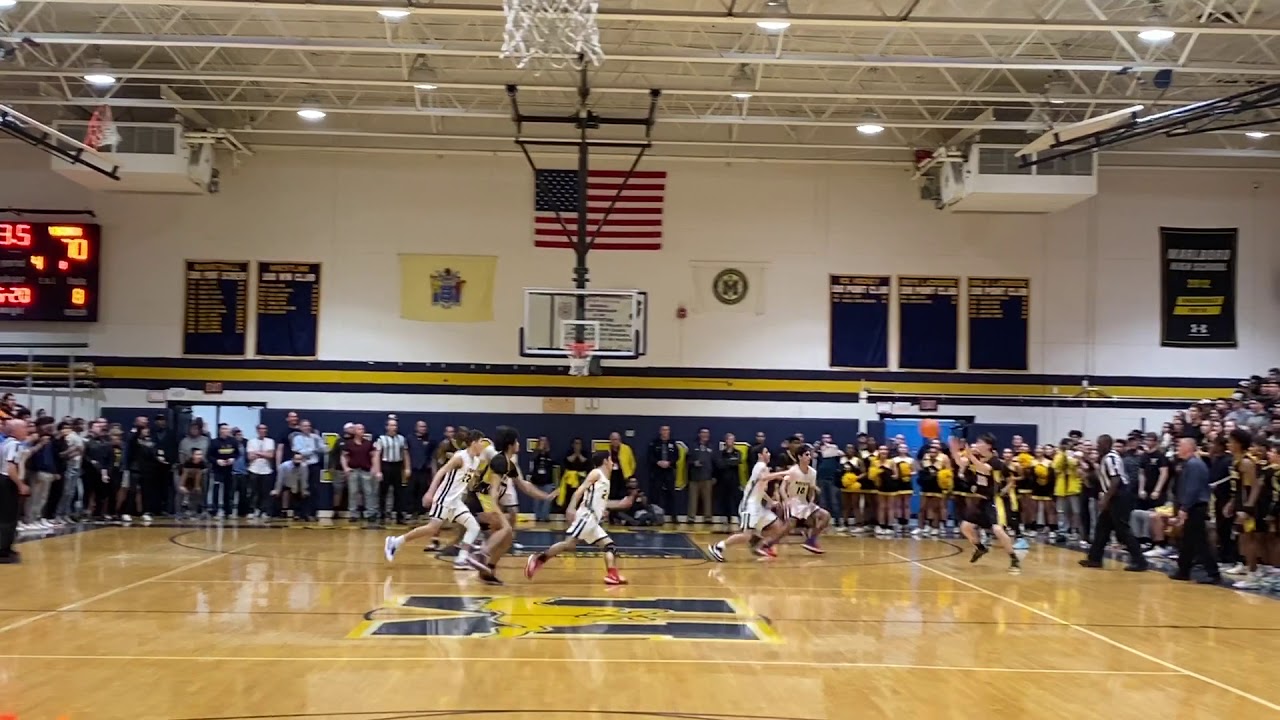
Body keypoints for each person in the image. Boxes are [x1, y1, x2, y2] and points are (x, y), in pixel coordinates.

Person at [525, 450, 635, 586]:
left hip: (593, 520)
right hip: (586, 516)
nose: (613, 462)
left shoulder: (605, 479)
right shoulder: (596, 473)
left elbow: (602, 503)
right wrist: (571, 507)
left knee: (609, 546)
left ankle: (612, 575)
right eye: (611, 460)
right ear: (605, 461)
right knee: (569, 543)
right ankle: (538, 558)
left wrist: (619, 504)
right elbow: (580, 490)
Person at [458, 426, 552, 584]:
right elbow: (493, 492)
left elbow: (524, 485)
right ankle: (480, 554)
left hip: (487, 501)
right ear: (511, 444)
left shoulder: (509, 463)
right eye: (517, 441)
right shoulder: (499, 461)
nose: (519, 444)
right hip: (480, 501)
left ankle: (488, 571)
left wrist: (546, 496)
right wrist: (499, 513)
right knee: (506, 528)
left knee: (508, 538)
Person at [383, 429, 488, 565]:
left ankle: (462, 558)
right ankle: (395, 542)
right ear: (474, 443)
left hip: (456, 502)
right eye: (481, 442)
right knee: (432, 528)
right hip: (444, 498)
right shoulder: (460, 457)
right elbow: (441, 472)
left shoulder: (476, 461)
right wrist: (430, 492)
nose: (483, 446)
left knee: (473, 527)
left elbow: (469, 482)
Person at [952, 433, 1020, 575]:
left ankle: (1014, 559)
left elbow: (984, 469)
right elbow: (961, 463)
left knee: (997, 530)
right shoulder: (976, 458)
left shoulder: (996, 462)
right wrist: (954, 450)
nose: (976, 443)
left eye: (980, 441)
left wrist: (970, 456)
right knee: (965, 527)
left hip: (996, 500)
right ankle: (980, 547)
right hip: (981, 500)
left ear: (988, 445)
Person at [1079, 434, 1148, 572]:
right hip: (1114, 496)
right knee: (1102, 528)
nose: (1097, 446)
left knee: (1122, 529)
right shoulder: (1105, 458)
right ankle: (1094, 558)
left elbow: (1115, 480)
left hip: (1119, 496)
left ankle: (1140, 561)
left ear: (1106, 444)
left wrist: (1106, 499)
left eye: (1099, 444)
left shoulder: (1111, 458)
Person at [708, 447, 788, 561]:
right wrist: (783, 472)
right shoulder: (760, 466)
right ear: (760, 455)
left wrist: (771, 502)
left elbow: (760, 489)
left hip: (758, 507)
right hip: (749, 506)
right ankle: (718, 547)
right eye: (766, 452)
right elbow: (764, 477)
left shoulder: (763, 468)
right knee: (746, 535)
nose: (769, 454)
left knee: (778, 526)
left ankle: (758, 546)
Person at [1169, 436, 1220, 583]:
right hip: (1192, 506)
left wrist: (1184, 508)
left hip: (1196, 507)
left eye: (1180, 446)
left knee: (1199, 541)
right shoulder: (1190, 464)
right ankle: (1183, 570)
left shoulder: (1194, 465)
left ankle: (1213, 573)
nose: (1177, 449)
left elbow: (1192, 489)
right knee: (1188, 541)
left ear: (1188, 448)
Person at [1226, 429, 1270, 589]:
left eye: (1230, 441)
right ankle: (1247, 568)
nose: (1228, 444)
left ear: (1238, 443)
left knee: (1248, 539)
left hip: (1247, 506)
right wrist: (1231, 503)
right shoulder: (1236, 460)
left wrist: (1247, 508)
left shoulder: (1246, 462)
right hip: (1240, 504)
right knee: (1243, 538)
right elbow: (1237, 487)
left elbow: (1255, 486)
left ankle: (1253, 575)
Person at [778, 444, 830, 554]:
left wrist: (811, 502)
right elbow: (782, 488)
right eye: (807, 455)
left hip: (803, 503)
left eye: (810, 455)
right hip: (792, 502)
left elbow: (811, 491)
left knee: (825, 516)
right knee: (789, 526)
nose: (809, 457)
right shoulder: (793, 471)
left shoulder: (812, 472)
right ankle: (767, 543)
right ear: (799, 457)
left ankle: (811, 540)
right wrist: (786, 500)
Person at [0, 419, 29, 563]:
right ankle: (3, 550)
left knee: (5, 516)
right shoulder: (15, 445)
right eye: (24, 428)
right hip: (8, 482)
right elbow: (11, 467)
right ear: (15, 430)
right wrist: (20, 484)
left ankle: (5, 547)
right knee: (9, 518)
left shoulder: (5, 443)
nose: (27, 430)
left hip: (2, 480)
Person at [374, 417, 409, 525]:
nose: (394, 427)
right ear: (387, 427)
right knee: (383, 493)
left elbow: (405, 454)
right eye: (391, 425)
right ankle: (382, 516)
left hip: (397, 466)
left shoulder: (402, 439)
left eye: (395, 425)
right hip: (386, 466)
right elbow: (377, 455)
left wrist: (407, 468)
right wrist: (378, 471)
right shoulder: (381, 439)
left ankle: (399, 516)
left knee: (399, 493)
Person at [246, 423, 276, 520]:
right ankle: (252, 510)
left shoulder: (270, 441)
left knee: (265, 492)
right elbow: (250, 457)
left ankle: (264, 511)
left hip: (266, 470)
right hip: (254, 469)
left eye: (265, 429)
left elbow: (271, 456)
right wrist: (264, 454)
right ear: (257, 430)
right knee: (253, 491)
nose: (263, 430)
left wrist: (257, 453)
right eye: (261, 429)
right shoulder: (251, 441)